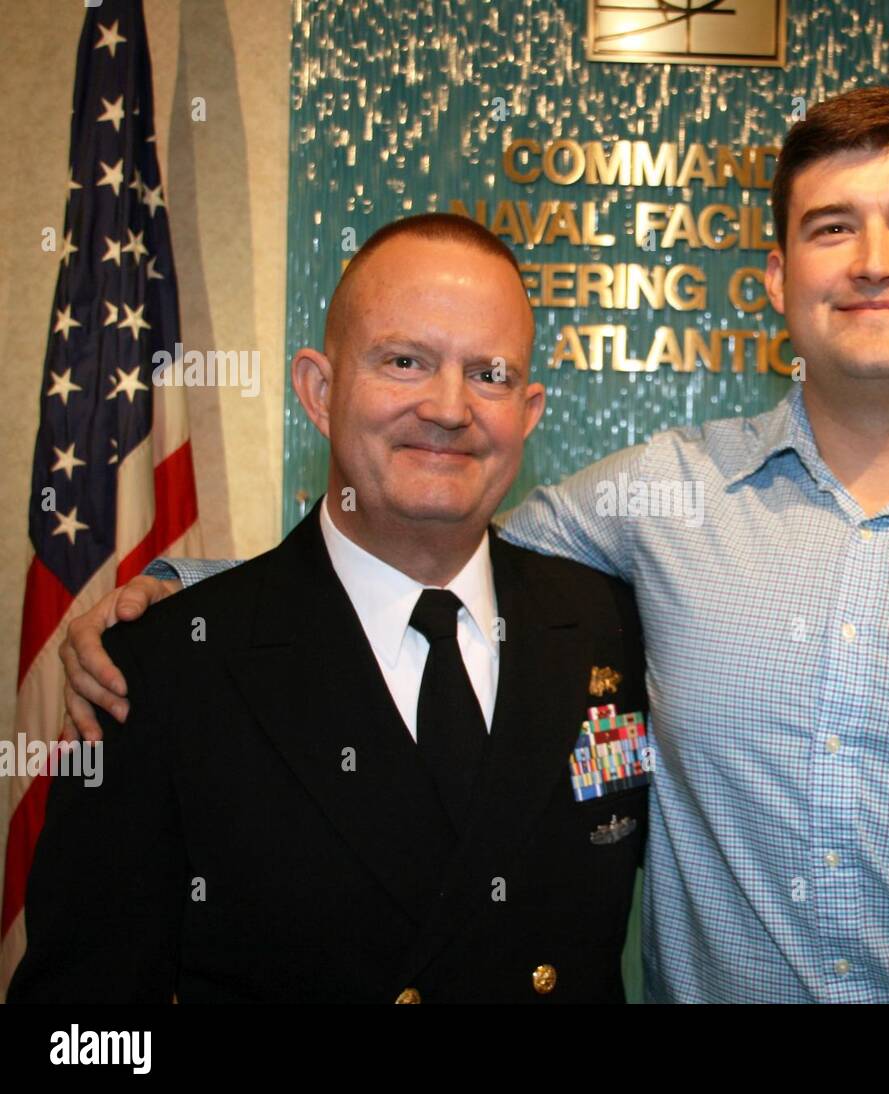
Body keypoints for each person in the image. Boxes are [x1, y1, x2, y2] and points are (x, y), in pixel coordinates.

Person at [60, 88, 889, 1003]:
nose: (870, 262)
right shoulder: (665, 501)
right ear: (771, 280)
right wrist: (173, 598)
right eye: (827, 229)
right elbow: (422, 547)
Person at [12, 214, 650, 1003]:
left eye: (489, 374)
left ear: (528, 411)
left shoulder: (606, 627)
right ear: (319, 390)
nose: (450, 408)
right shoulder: (160, 669)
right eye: (405, 361)